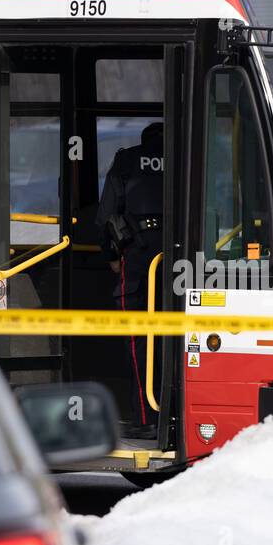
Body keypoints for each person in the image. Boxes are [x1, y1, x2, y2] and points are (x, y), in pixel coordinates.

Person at [96, 122, 164, 438]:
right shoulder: (187, 155)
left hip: (139, 257)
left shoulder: (127, 161)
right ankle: (171, 412)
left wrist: (111, 254)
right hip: (185, 259)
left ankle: (146, 418)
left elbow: (107, 214)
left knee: (140, 338)